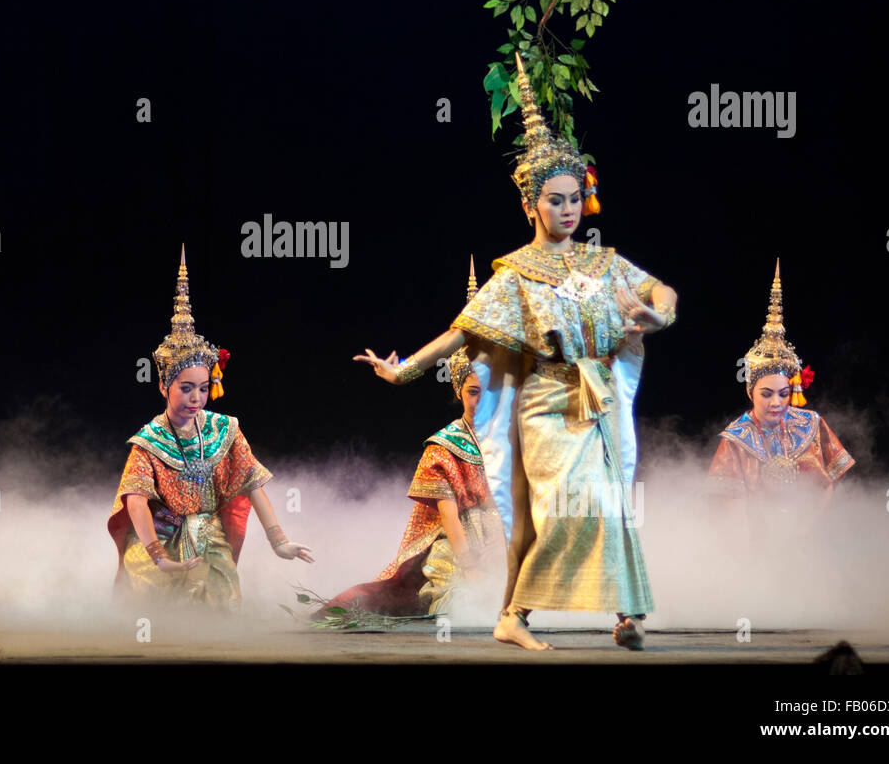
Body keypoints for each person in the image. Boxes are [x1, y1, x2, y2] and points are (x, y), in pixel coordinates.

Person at [356, 53, 677, 650]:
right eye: (554, 200)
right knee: (559, 510)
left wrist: (656, 312)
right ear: (530, 205)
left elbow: (661, 288)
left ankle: (627, 614)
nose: (569, 209)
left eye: (575, 197)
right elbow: (462, 332)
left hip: (599, 398)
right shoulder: (515, 276)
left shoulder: (600, 263)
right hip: (550, 403)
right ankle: (515, 617)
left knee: (607, 504)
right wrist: (402, 372)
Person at [107, 247, 313, 610]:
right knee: (153, 607)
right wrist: (158, 556)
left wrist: (278, 541)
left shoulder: (224, 429)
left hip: (208, 535)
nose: (197, 398)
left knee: (219, 606)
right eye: (186, 388)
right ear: (163, 386)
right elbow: (136, 500)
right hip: (162, 536)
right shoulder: (149, 441)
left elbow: (251, 484)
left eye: (203, 388)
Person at [323, 258, 504, 617]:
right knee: (464, 605)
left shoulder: (512, 440)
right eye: (473, 393)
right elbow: (451, 519)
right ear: (458, 390)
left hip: (504, 541)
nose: (482, 403)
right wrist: (471, 567)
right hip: (459, 547)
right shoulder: (445, 448)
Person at [705, 261, 854, 537]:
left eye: (784, 394)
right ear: (750, 391)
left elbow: (827, 484)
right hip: (755, 539)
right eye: (766, 394)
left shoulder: (810, 425)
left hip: (809, 532)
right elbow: (730, 507)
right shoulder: (736, 439)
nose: (776, 403)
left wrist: (805, 529)